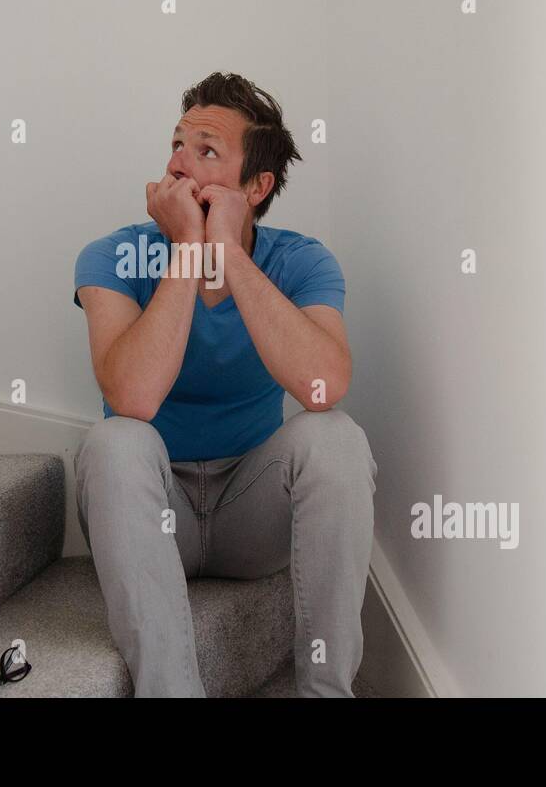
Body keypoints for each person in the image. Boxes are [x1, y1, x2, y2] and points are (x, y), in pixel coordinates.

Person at [72, 71, 378, 696]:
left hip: (252, 511)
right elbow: (132, 399)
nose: (180, 163)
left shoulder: (301, 261)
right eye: (178, 143)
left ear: (256, 186)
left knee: (336, 437)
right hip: (153, 510)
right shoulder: (111, 257)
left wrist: (229, 255)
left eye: (206, 150)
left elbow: (323, 387)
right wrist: (188, 250)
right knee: (113, 441)